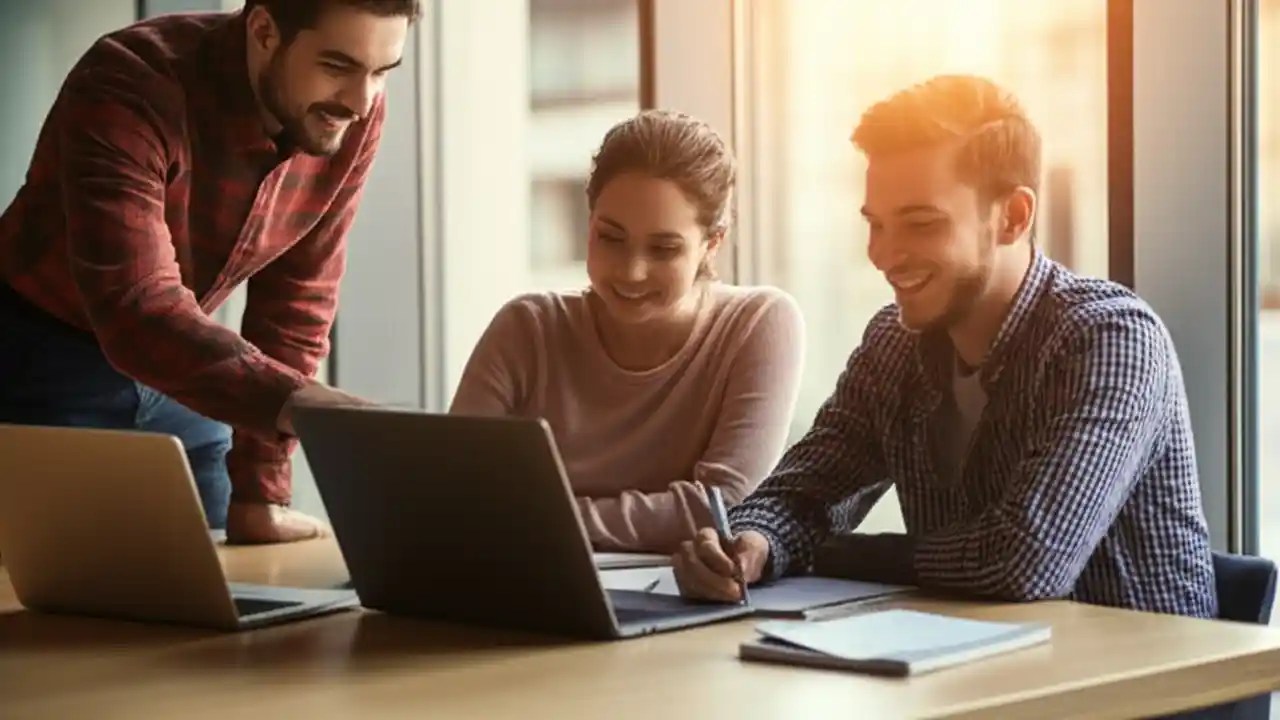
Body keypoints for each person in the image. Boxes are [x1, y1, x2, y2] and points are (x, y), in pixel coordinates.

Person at [671, 75, 1217, 617]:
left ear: (1013, 216)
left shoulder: (1108, 338)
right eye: (876, 225)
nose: (883, 255)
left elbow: (1026, 560)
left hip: (1144, 669)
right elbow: (802, 494)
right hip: (973, 658)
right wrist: (752, 544)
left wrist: (834, 553)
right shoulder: (894, 343)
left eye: (921, 224)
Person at [0, 0, 419, 543]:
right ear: (264, 30)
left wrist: (262, 491)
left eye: (382, 72)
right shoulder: (128, 80)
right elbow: (136, 306)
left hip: (186, 372)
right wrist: (303, 403)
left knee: (216, 582)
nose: (362, 102)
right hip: (35, 360)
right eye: (337, 65)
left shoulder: (345, 113)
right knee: (51, 588)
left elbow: (298, 298)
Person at [449, 110, 805, 553]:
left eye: (664, 249)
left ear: (711, 243)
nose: (631, 271)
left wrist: (539, 518)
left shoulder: (758, 324)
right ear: (590, 223)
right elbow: (454, 487)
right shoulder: (527, 329)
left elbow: (720, 503)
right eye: (611, 238)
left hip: (676, 591)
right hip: (529, 577)